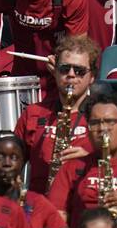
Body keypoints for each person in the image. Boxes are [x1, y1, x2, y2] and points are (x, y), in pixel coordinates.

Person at [14, 35, 97, 192]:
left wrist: (91, 157)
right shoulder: (33, 113)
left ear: (91, 77)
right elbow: (11, 163)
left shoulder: (105, 117)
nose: (71, 75)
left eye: (79, 71)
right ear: (55, 72)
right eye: (65, 69)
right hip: (39, 206)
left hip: (85, 206)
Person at [47, 90, 117, 222]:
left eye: (110, 121)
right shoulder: (72, 168)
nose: (102, 128)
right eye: (95, 123)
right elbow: (56, 215)